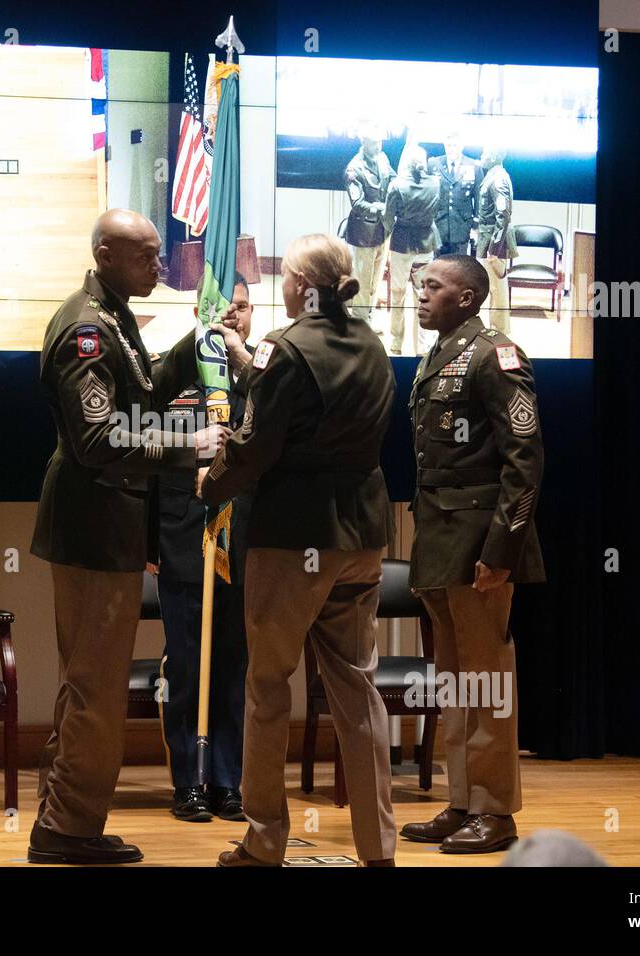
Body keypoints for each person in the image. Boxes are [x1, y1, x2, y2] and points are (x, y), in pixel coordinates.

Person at [28, 209, 230, 865]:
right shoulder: (89, 328)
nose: (159, 266)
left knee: (89, 686)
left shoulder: (113, 315)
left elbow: (137, 401)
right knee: (95, 691)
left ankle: (68, 820)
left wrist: (196, 343)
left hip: (105, 526)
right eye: (147, 256)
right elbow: (96, 439)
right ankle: (68, 831)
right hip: (91, 526)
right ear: (107, 253)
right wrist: (188, 446)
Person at [198, 233, 399, 867]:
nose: (279, 283)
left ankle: (263, 841)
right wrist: (244, 359)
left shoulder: (288, 349)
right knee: (357, 693)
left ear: (302, 286)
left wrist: (210, 482)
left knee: (268, 688)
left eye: (285, 274)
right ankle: (379, 849)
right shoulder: (373, 345)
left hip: (293, 540)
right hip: (361, 537)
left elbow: (256, 448)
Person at [402, 254, 544, 854]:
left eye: (434, 287)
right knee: (456, 684)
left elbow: (525, 459)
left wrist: (502, 548)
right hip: (439, 537)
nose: (422, 294)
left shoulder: (495, 355)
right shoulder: (438, 353)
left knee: (487, 681)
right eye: (422, 285)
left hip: (482, 541)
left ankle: (495, 811)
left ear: (467, 298)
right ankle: (461, 801)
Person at [155, 274, 255, 823]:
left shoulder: (261, 378)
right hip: (185, 541)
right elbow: (149, 462)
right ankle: (188, 782)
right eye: (222, 308)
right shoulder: (176, 377)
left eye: (241, 307)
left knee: (234, 670)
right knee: (189, 667)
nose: (231, 317)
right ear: (201, 312)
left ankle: (227, 781)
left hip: (242, 547)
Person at [383, 144, 440, 355]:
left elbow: (388, 220)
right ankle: (424, 347)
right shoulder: (436, 183)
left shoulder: (396, 185)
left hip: (401, 245)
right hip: (425, 244)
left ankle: (396, 343)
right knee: (424, 295)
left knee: (397, 293)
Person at [342, 130, 394, 325]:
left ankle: (368, 320)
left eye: (380, 141)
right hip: (364, 233)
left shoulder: (382, 158)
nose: (378, 146)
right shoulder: (354, 169)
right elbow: (357, 203)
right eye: (373, 142)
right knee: (363, 282)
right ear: (363, 141)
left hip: (383, 231)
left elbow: (393, 180)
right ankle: (360, 323)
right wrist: (382, 207)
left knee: (376, 280)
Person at [475, 148, 517, 334]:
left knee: (497, 290)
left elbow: (503, 215)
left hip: (494, 243)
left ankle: (499, 332)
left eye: (484, 154)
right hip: (488, 238)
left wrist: (493, 249)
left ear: (493, 156)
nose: (481, 157)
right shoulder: (493, 175)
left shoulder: (498, 179)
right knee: (492, 288)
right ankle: (496, 330)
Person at [431, 133, 480, 257]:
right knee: (438, 267)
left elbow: (478, 197)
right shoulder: (434, 164)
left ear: (462, 146)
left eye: (455, 145)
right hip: (439, 224)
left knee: (459, 267)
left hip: (462, 225)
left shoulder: (473, 166)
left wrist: (476, 224)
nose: (452, 148)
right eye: (449, 145)